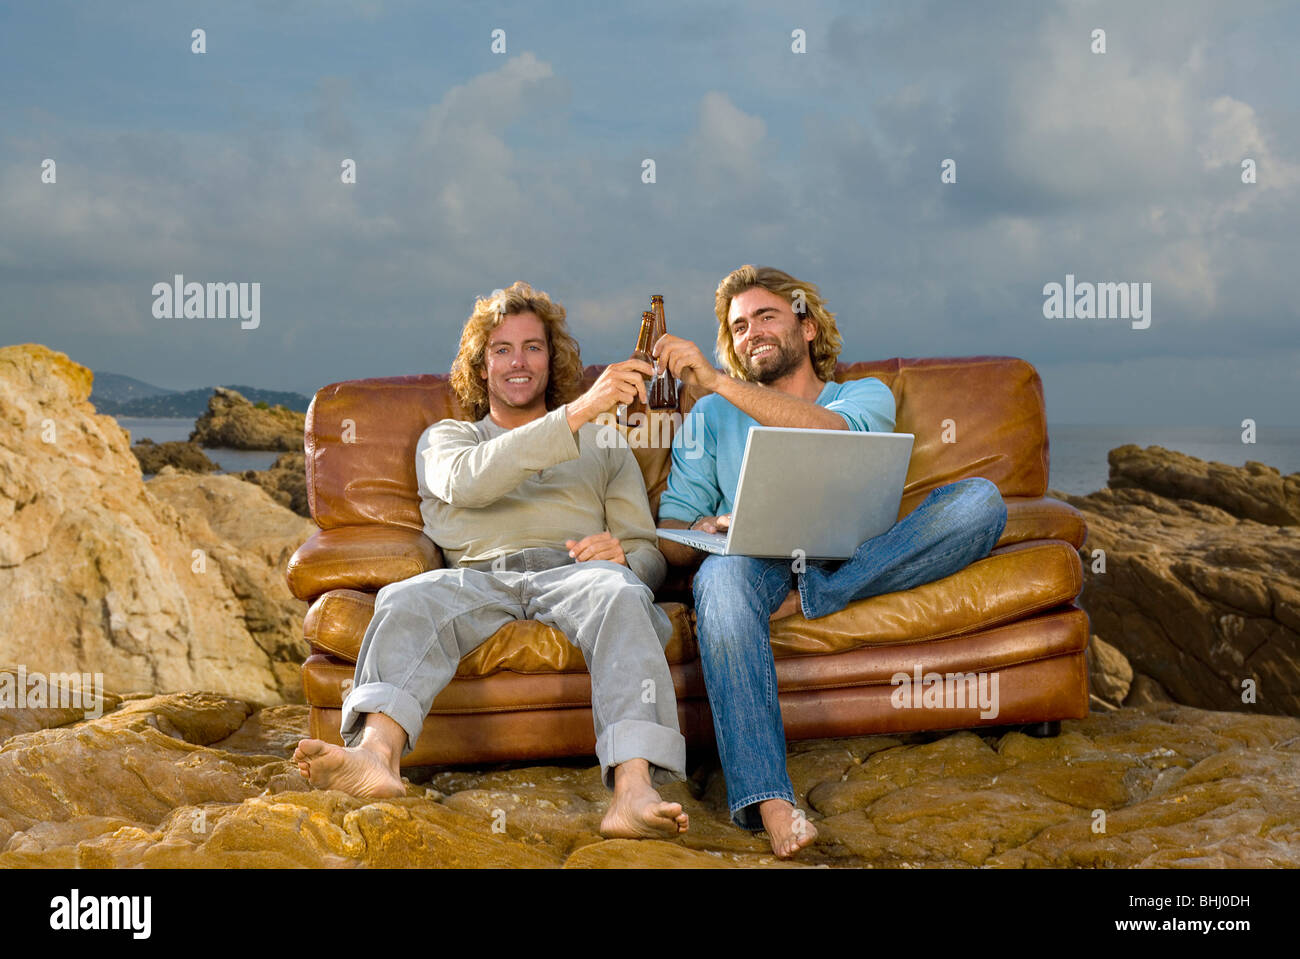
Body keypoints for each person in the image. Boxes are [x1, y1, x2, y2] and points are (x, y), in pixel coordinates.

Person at [294, 281, 689, 840]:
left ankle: (632, 790)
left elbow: (648, 554)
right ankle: (375, 756)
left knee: (624, 593)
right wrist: (579, 412)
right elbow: (470, 484)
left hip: (577, 572)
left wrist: (626, 556)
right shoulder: (447, 438)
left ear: (553, 360)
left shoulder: (603, 442)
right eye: (501, 349)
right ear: (481, 368)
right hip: (475, 575)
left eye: (533, 347)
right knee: (405, 596)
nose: (518, 362)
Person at [655, 265, 1007, 857]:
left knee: (981, 503)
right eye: (738, 327)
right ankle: (771, 800)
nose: (751, 333)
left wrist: (715, 380)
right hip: (757, 558)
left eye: (766, 316)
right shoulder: (708, 420)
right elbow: (667, 537)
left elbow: (835, 436)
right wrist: (705, 525)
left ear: (807, 326)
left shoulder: (861, 394)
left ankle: (825, 589)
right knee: (717, 579)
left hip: (857, 550)